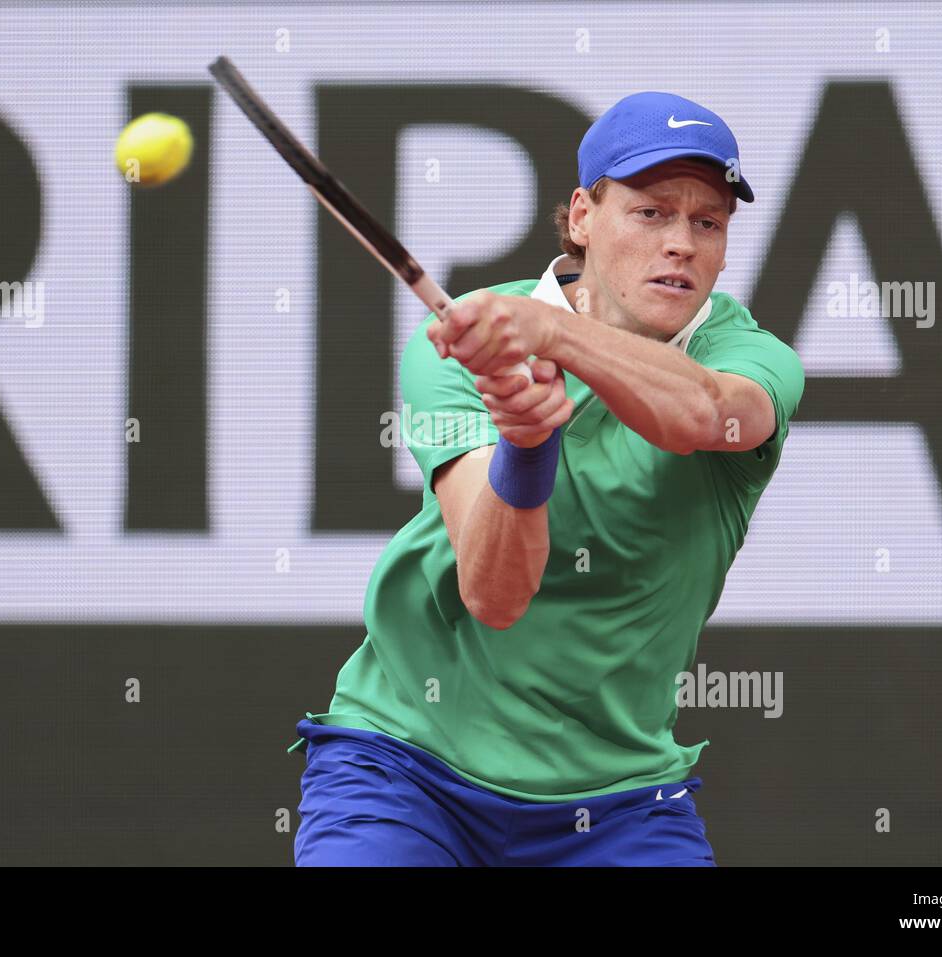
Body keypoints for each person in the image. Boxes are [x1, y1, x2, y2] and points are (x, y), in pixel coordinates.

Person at [289, 91, 804, 866]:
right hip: (405, 766)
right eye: (651, 213)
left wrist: (558, 333)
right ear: (583, 216)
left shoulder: (752, 357)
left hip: (621, 802)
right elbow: (493, 594)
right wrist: (526, 445)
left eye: (708, 222)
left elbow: (706, 415)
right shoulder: (464, 343)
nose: (683, 244)